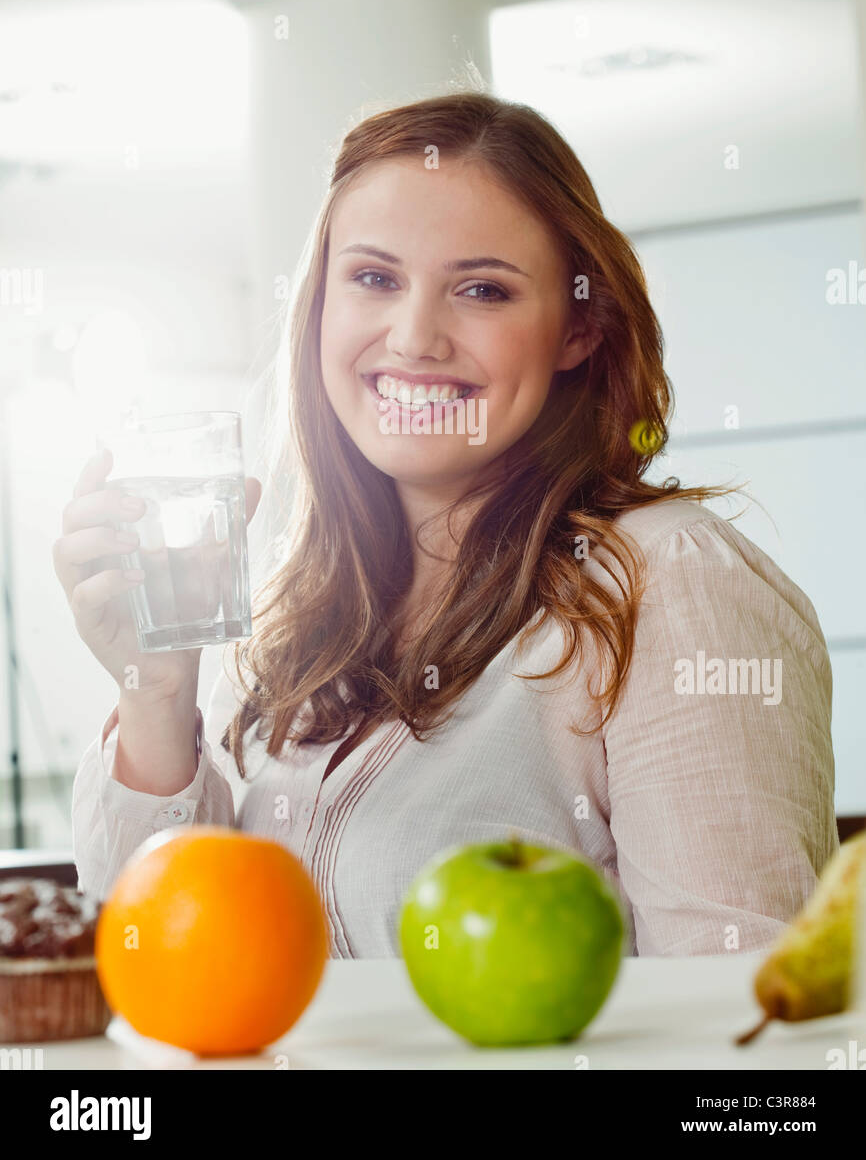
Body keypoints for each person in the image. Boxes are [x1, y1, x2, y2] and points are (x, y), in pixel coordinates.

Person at [56, 91, 838, 958]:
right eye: (375, 279)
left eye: (481, 289)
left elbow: (743, 1046)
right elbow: (160, 965)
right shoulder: (291, 619)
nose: (415, 337)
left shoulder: (671, 583)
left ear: (579, 327)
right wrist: (156, 692)